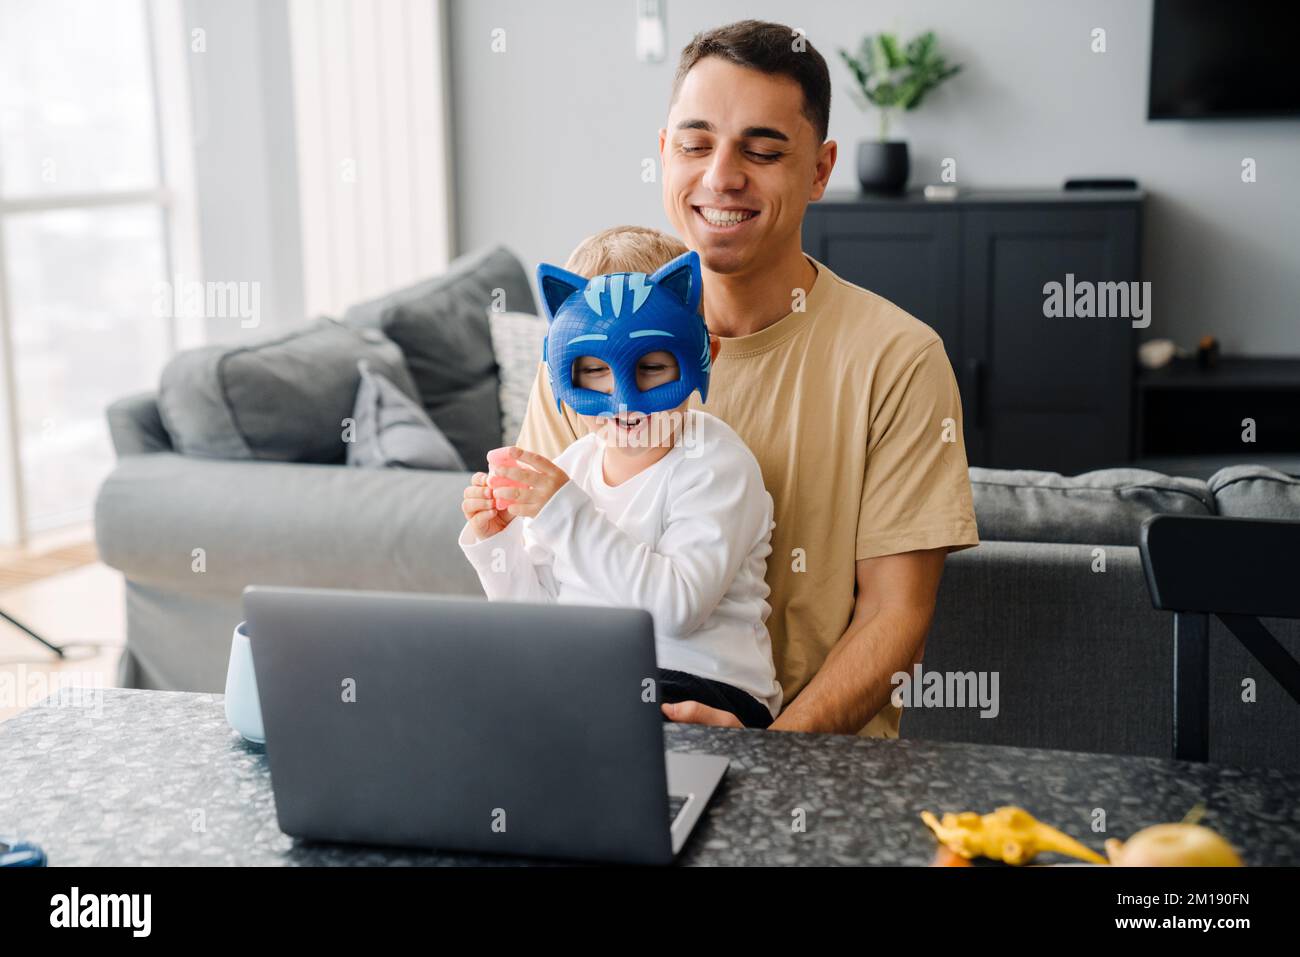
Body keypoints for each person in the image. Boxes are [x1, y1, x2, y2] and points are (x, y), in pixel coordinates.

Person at [515, 21, 980, 736]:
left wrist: (769, 755)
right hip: (600, 745)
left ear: (821, 170)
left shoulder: (898, 358)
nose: (721, 176)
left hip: (814, 779)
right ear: (664, 153)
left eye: (762, 151)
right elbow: (542, 583)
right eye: (695, 145)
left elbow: (896, 617)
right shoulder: (585, 358)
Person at [459, 237, 781, 729]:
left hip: (701, 687)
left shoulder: (716, 463)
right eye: (593, 371)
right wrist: (496, 544)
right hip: (591, 678)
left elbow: (677, 609)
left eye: (651, 367)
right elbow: (541, 623)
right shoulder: (573, 466)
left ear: (700, 355)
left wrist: (567, 513)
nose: (623, 401)